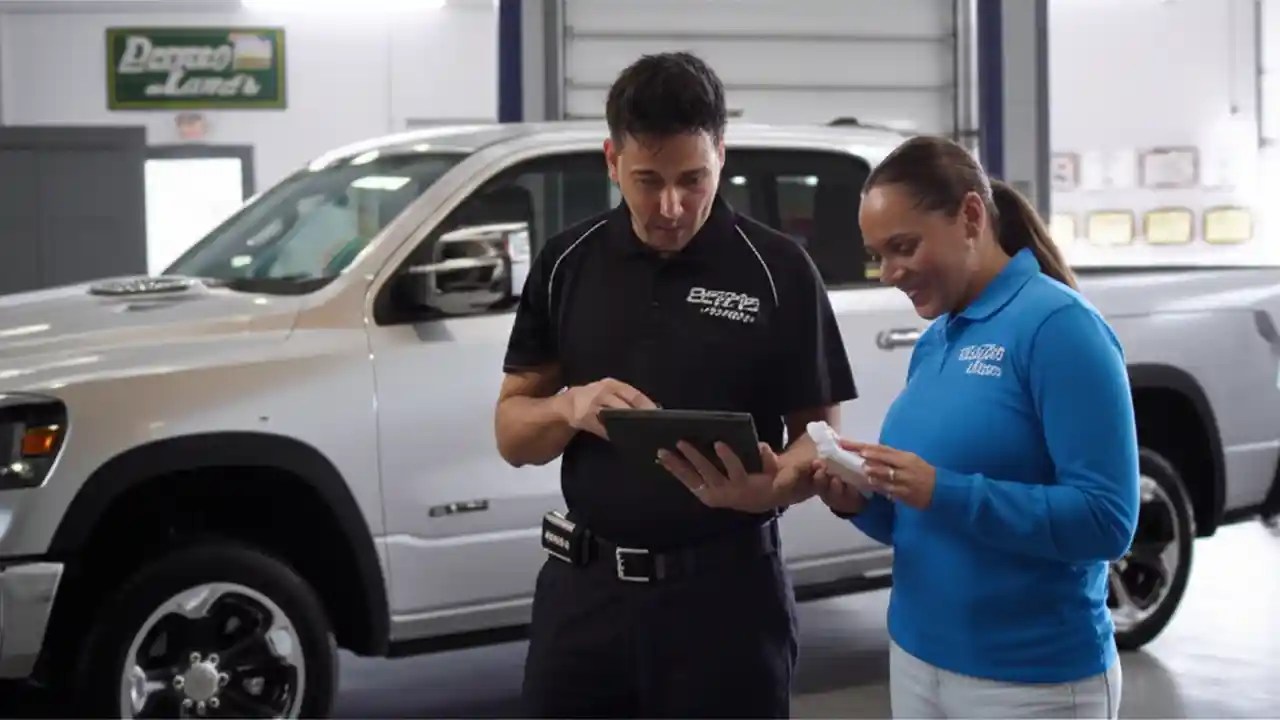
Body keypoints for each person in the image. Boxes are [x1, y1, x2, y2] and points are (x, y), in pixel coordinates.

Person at [681, 135, 1140, 719]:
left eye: (903, 247)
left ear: (971, 216)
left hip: (1031, 680)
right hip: (919, 658)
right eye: (878, 254)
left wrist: (942, 489)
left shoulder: (1060, 329)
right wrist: (858, 500)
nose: (888, 273)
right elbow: (921, 523)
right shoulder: (938, 341)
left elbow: (1107, 522)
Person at [493, 51, 858, 718]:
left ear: (723, 152)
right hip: (584, 599)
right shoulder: (567, 263)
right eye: (646, 179)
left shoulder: (778, 269)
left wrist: (774, 485)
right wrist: (572, 406)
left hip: (727, 602)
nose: (670, 206)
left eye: (693, 178)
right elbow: (513, 435)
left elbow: (819, 436)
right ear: (611, 161)